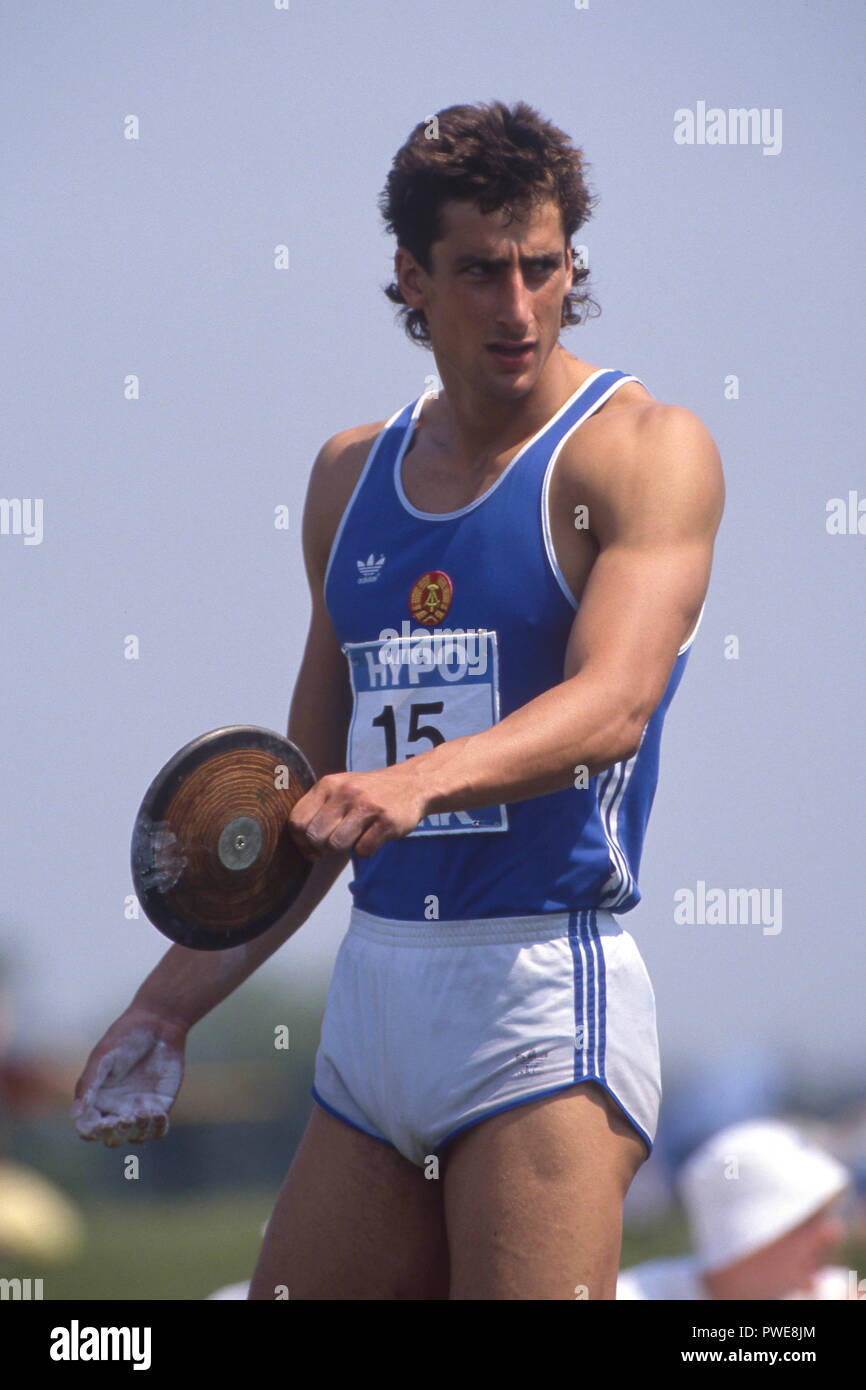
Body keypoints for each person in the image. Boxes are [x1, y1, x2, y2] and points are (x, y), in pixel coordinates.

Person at [72, 100, 724, 1300]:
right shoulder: (345, 477)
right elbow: (302, 803)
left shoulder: (638, 449)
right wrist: (162, 1008)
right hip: (375, 1007)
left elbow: (615, 703)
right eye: (480, 271)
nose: (518, 306)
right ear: (410, 277)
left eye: (543, 267)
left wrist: (416, 780)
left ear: (572, 263)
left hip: (536, 997)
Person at [617, 1119, 854, 1299]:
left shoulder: (836, 1291)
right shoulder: (631, 1294)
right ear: (746, 1239)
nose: (831, 1234)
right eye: (807, 1220)